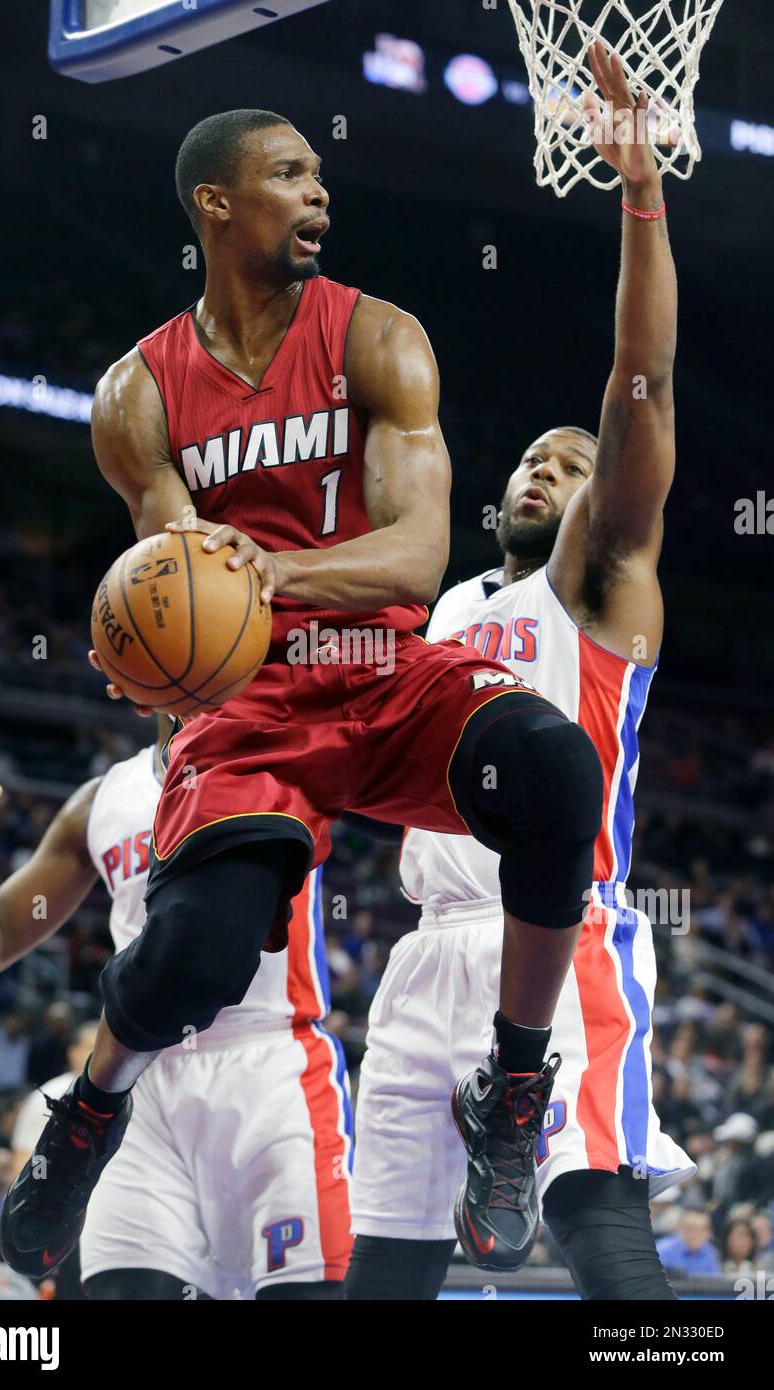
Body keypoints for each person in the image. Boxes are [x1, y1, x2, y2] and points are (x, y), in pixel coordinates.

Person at [0, 99, 603, 1279]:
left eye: (320, 176)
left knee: (557, 763)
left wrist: (270, 569)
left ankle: (513, 1088)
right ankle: (89, 1114)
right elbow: (176, 592)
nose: (320, 195)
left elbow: (415, 556)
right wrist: (155, 640)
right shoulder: (137, 396)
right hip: (251, 701)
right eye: (290, 175)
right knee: (192, 964)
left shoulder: (378, 338)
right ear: (216, 204)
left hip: (377, 666)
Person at [346, 44, 694, 1301]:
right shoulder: (442, 603)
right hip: (424, 950)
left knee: (604, 1240)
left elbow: (638, 386)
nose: (549, 470)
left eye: (573, 461)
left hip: (563, 937)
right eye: (533, 460)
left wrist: (639, 194)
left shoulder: (596, 586)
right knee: (381, 1275)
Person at [0, 718, 352, 1299]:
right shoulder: (99, 803)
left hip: (271, 1066)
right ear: (117, 678)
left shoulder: (287, 749)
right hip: (135, 1080)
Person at [656, 1210, 720, 1278]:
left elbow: (714, 1282)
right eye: (690, 1228)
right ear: (678, 1229)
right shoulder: (661, 1250)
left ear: (709, 1233)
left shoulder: (710, 1251)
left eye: (702, 1229)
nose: (696, 1234)